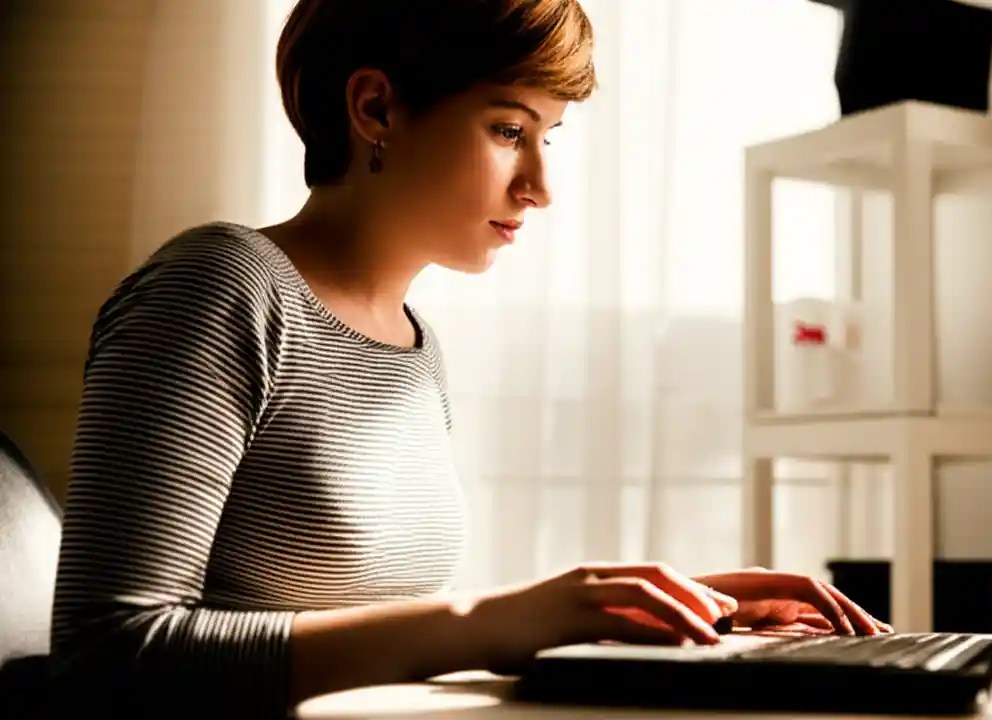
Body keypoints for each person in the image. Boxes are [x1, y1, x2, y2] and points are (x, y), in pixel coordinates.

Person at [49, 0, 889, 717]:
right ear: (375, 108)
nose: (538, 186)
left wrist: (641, 610)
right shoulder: (221, 287)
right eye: (506, 129)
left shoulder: (413, 343)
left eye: (547, 139)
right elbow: (109, 654)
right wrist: (494, 618)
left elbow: (378, 629)